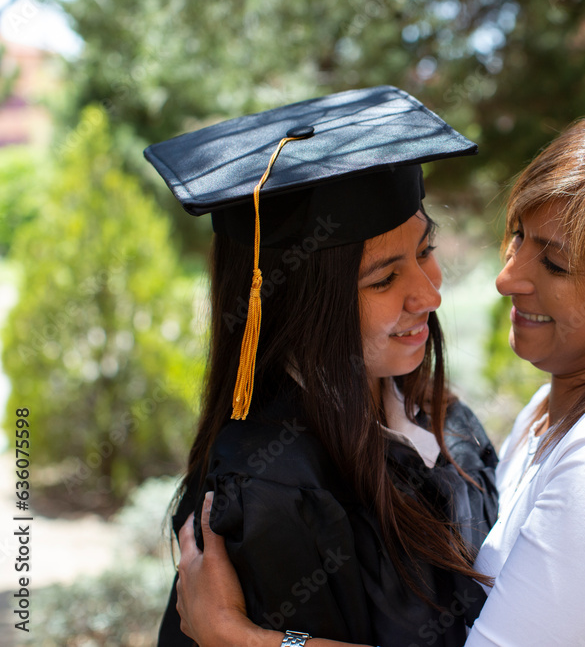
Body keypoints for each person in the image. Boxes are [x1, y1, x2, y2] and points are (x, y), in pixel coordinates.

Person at [174, 107, 585, 647]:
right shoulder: (541, 416)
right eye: (518, 236)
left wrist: (243, 641)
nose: (507, 277)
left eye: (557, 262)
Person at [147, 86, 499, 647]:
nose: (429, 295)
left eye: (426, 251)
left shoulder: (434, 413)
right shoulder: (271, 488)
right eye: (383, 278)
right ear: (300, 303)